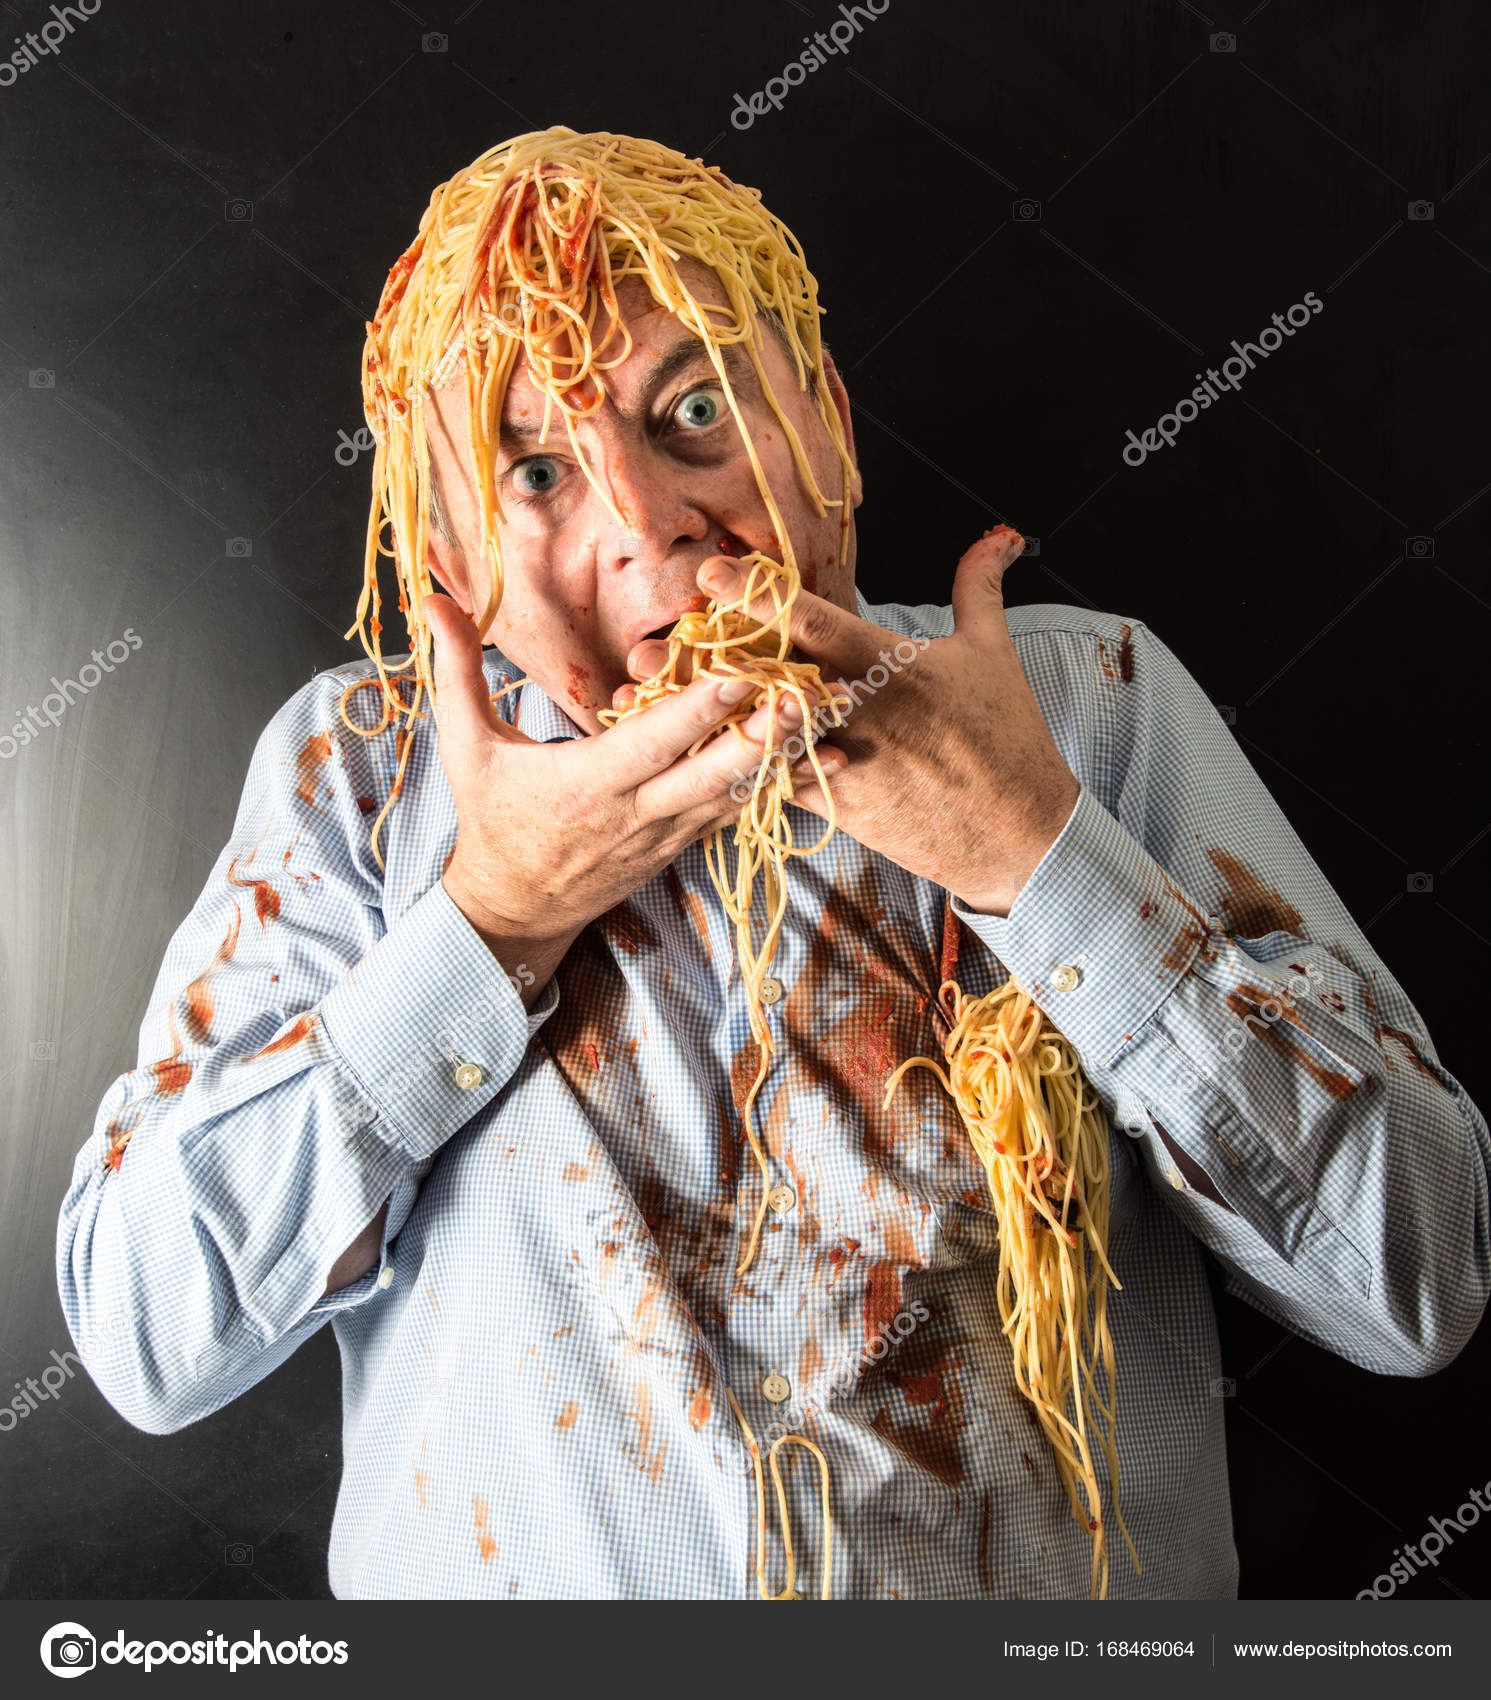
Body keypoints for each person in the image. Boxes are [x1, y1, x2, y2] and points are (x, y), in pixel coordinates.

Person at [57, 128, 1490, 1601]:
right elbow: (148, 1338)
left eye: (694, 407)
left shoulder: (1082, 706)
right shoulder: (358, 777)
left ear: (833, 431)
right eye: (534, 467)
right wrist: (489, 924)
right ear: (452, 559)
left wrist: (1031, 853)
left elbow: (1421, 1280)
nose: (648, 522)